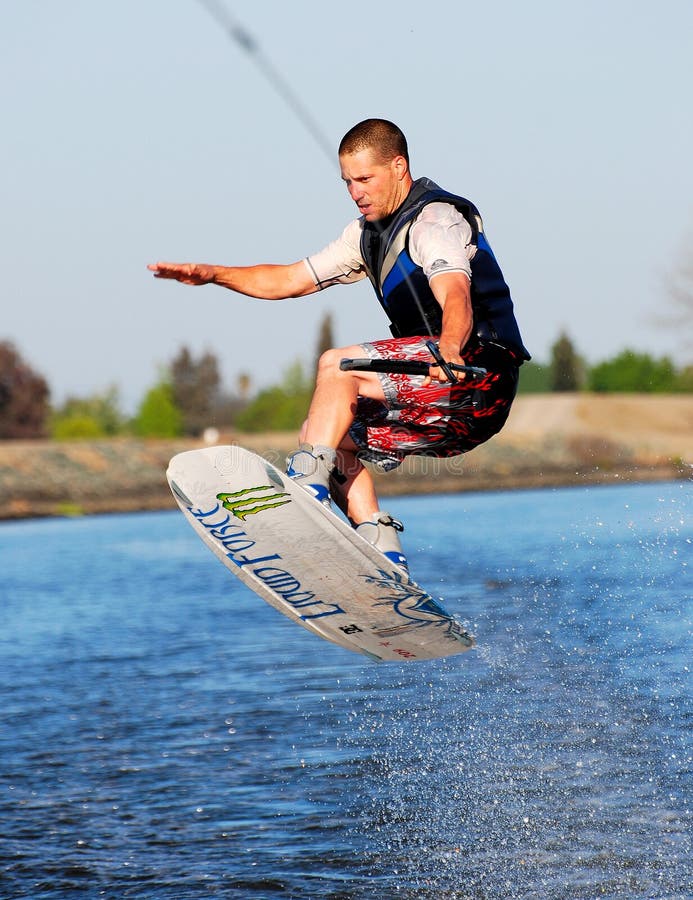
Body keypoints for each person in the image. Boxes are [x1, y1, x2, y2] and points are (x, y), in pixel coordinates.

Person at [149, 118, 529, 572]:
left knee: (338, 365)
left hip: (476, 377)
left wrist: (448, 348)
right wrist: (215, 275)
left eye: (365, 179)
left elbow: (456, 294)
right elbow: (290, 279)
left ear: (399, 167)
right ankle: (382, 550)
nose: (356, 192)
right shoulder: (364, 237)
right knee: (322, 435)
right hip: (445, 407)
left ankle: (302, 495)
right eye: (348, 182)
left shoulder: (435, 221)